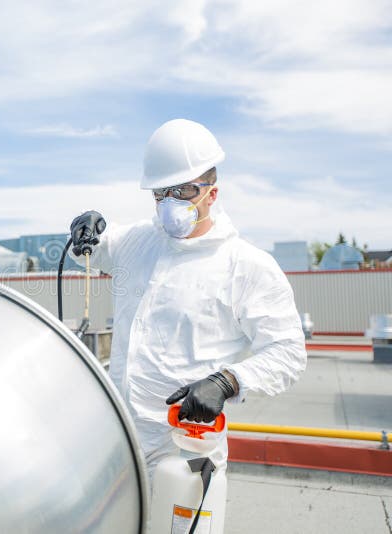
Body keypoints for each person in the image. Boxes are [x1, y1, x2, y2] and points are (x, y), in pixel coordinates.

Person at [69, 118, 307, 478]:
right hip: (120, 439)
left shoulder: (246, 266)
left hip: (188, 447)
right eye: (160, 193)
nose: (168, 204)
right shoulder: (138, 241)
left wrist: (228, 381)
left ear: (211, 193)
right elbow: (89, 252)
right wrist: (85, 228)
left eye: (182, 192)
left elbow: (287, 353)